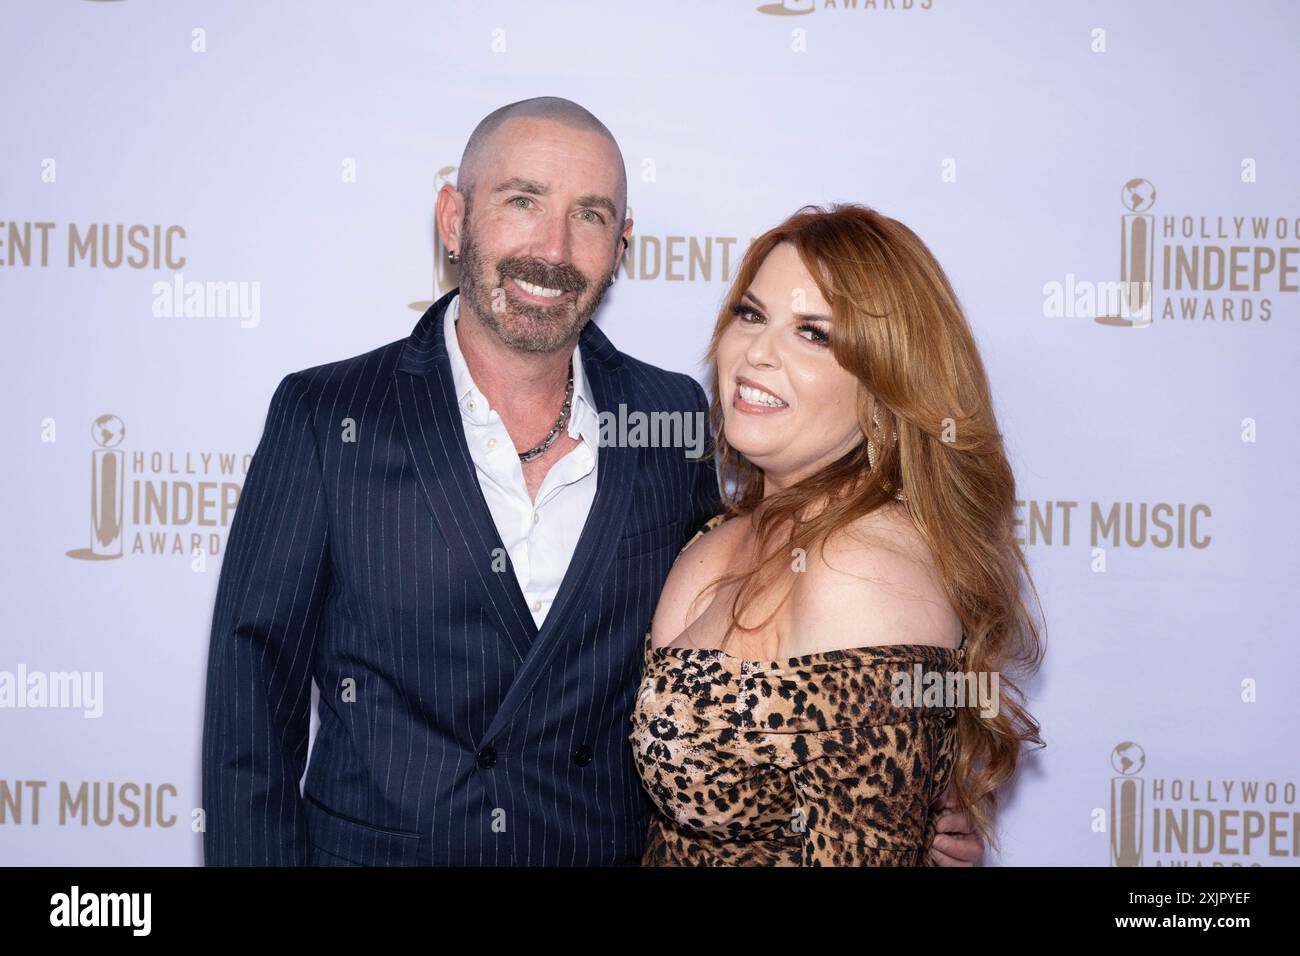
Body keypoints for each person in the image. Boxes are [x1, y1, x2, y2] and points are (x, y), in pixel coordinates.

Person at [201, 96, 986, 866]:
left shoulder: (669, 416)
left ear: (621, 245)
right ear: (453, 219)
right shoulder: (329, 414)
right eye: (522, 201)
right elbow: (249, 712)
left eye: (590, 215)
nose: (553, 247)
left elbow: (755, 681)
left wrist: (899, 794)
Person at [631, 204, 1045, 865]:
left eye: (815, 335)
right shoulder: (720, 533)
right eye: (751, 314)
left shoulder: (860, 570)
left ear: (886, 383)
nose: (758, 353)